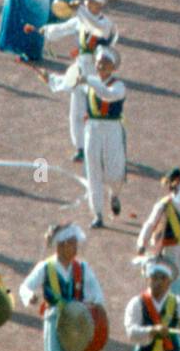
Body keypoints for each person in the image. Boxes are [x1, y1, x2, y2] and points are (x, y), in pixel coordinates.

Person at [40, 46, 128, 229]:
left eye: (105, 63)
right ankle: (97, 213)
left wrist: (88, 79)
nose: (100, 66)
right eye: (98, 63)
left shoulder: (118, 86)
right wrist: (49, 78)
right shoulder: (90, 81)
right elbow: (68, 83)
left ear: (113, 67)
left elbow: (107, 95)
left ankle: (114, 192)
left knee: (115, 171)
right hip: (93, 130)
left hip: (112, 129)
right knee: (93, 170)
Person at [33, 0, 118, 162]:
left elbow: (96, 29)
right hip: (80, 68)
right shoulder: (80, 19)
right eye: (86, 1)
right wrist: (46, 30)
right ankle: (80, 147)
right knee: (76, 111)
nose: (87, 5)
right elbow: (64, 28)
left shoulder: (105, 24)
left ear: (99, 6)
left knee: (97, 112)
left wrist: (78, 10)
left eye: (91, 3)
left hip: (97, 71)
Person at [18, 223, 106, 351]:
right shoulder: (46, 267)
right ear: (60, 246)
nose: (75, 248)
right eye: (72, 243)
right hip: (53, 321)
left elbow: (96, 293)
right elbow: (25, 287)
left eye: (75, 243)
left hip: (76, 322)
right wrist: (30, 296)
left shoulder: (82, 268)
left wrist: (94, 307)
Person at [136, 165, 180, 305]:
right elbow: (151, 224)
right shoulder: (164, 205)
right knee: (173, 291)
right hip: (171, 255)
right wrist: (142, 243)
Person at [123, 257, 180, 351]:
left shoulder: (178, 303)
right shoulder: (137, 303)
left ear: (169, 282)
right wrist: (151, 331)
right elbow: (131, 332)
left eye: (163, 278)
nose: (158, 282)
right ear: (147, 279)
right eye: (154, 278)